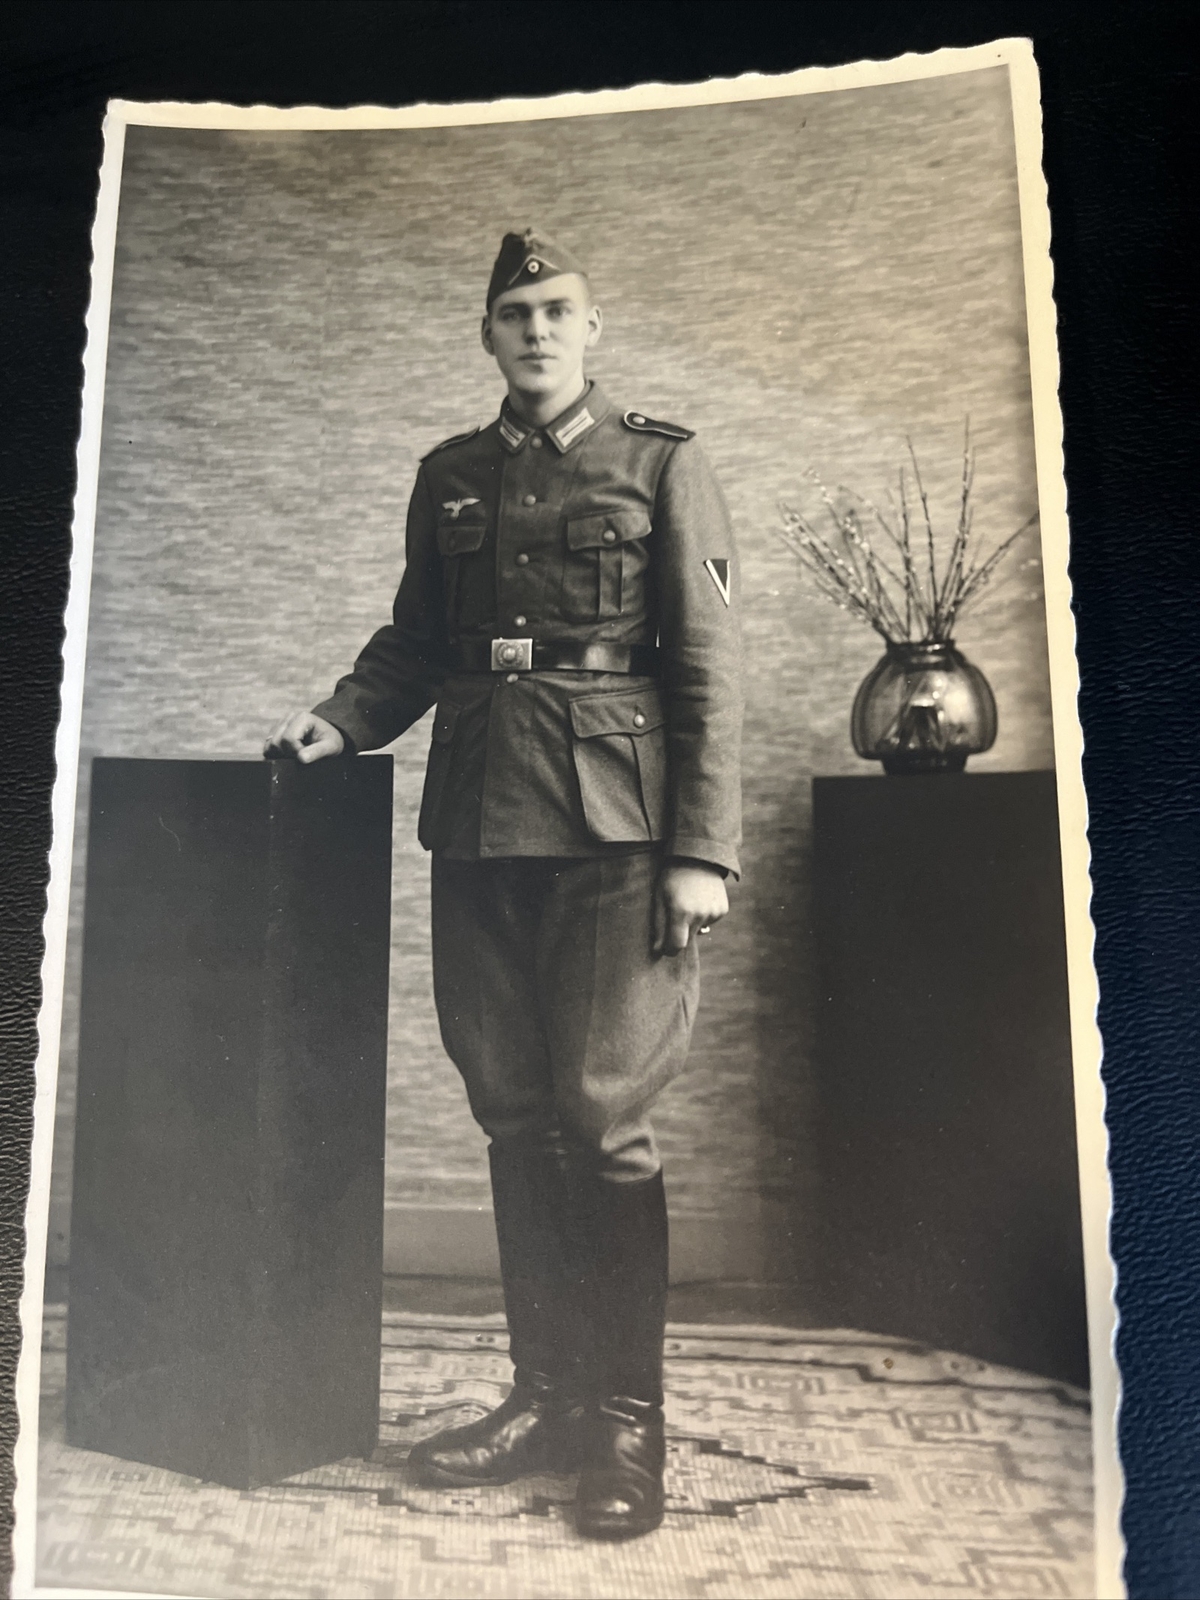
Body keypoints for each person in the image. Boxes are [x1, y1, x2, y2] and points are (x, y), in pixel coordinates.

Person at [265, 228, 742, 1541]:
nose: (537, 332)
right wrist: (340, 720)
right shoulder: (451, 476)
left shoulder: (662, 463)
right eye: (516, 314)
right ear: (488, 334)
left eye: (558, 311)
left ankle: (625, 1425)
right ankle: (545, 1397)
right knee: (515, 1113)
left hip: (620, 836)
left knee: (605, 1118)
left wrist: (701, 850)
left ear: (592, 329)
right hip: (480, 822)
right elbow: (420, 642)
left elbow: (709, 665)